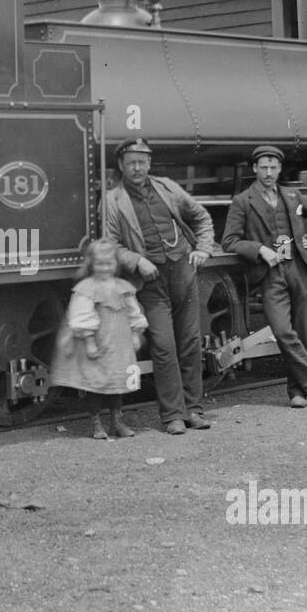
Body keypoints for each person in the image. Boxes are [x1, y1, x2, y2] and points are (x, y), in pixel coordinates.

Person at [102, 137, 214, 435]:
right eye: (131, 163)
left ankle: (194, 410)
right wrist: (137, 260)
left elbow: (201, 217)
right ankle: (173, 415)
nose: (137, 168)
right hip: (150, 282)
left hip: (182, 272)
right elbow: (110, 245)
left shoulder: (168, 187)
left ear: (149, 163)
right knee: (164, 347)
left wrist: (203, 248)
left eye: (142, 162)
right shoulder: (113, 200)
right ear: (121, 166)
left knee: (190, 343)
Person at [221, 145, 307, 409]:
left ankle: (296, 392)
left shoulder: (292, 195)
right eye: (264, 168)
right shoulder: (243, 201)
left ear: (280, 169)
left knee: (302, 334)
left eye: (273, 168)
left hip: (300, 268)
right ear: (255, 169)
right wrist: (259, 249)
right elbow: (229, 241)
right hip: (271, 274)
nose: (269, 173)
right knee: (283, 332)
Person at [49, 238, 149, 439]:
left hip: (119, 344)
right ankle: (96, 422)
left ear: (115, 264)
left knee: (118, 382)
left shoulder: (123, 287)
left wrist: (135, 334)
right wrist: (89, 341)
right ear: (92, 264)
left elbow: (133, 312)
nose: (104, 268)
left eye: (109, 263)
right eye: (99, 264)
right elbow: (81, 316)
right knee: (95, 383)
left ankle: (117, 421)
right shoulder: (87, 288)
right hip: (98, 343)